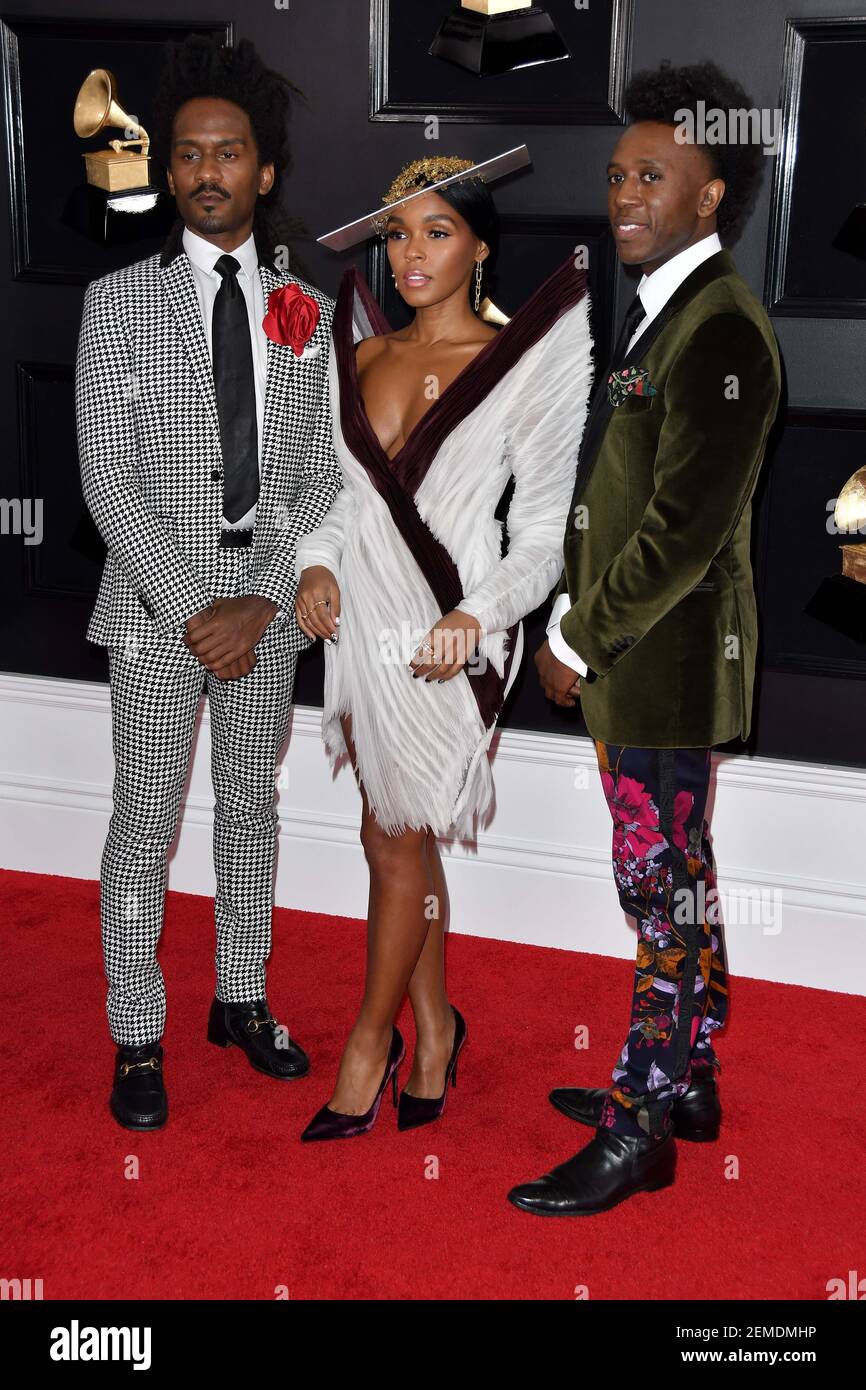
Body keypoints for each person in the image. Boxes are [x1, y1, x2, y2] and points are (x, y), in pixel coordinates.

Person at [508, 60, 782, 1217]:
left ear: (710, 195)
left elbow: (679, 533)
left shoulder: (716, 332)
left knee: (655, 889)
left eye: (653, 175)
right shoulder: (666, 310)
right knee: (681, 873)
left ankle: (640, 1122)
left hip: (659, 662)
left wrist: (576, 634)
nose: (623, 192)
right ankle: (692, 1081)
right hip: (650, 666)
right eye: (618, 173)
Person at [294, 154, 594, 1139]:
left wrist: (478, 617)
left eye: (435, 232)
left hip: (453, 632)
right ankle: (433, 1028)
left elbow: (544, 536)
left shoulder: (523, 362)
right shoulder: (361, 354)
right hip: (363, 627)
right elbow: (341, 502)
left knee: (393, 840)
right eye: (394, 234)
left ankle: (365, 1048)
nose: (410, 254)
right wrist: (316, 565)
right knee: (396, 838)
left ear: (478, 244)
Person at [75, 35, 341, 1130]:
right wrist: (196, 610)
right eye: (186, 155)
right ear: (166, 170)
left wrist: (263, 601)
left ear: (261, 171)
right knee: (143, 818)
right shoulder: (116, 303)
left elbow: (321, 474)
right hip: (155, 614)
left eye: (227, 153)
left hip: (265, 611)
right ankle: (137, 1030)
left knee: (248, 809)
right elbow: (105, 478)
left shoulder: (307, 313)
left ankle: (240, 997)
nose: (205, 172)